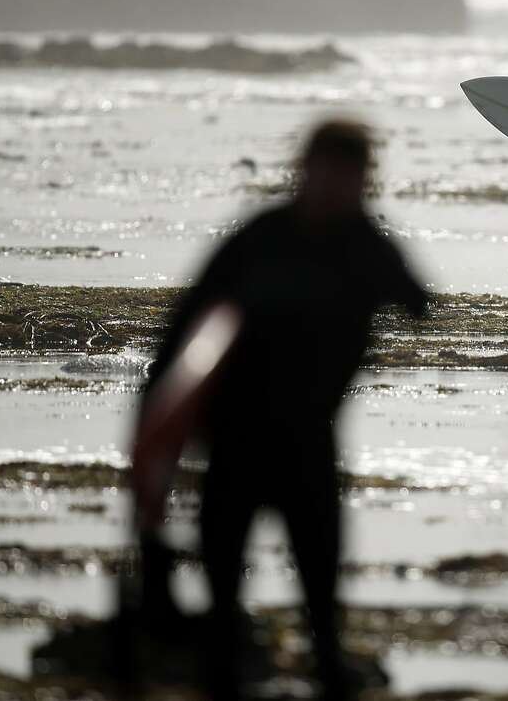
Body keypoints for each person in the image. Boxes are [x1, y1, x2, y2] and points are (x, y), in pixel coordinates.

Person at [136, 120, 428, 700]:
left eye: (350, 176)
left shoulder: (366, 244)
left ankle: (328, 670)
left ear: (364, 180)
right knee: (221, 601)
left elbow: (418, 302)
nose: (334, 187)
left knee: (320, 595)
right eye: (325, 171)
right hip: (236, 440)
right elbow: (180, 339)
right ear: (304, 169)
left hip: (309, 441)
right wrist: (152, 454)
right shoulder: (259, 239)